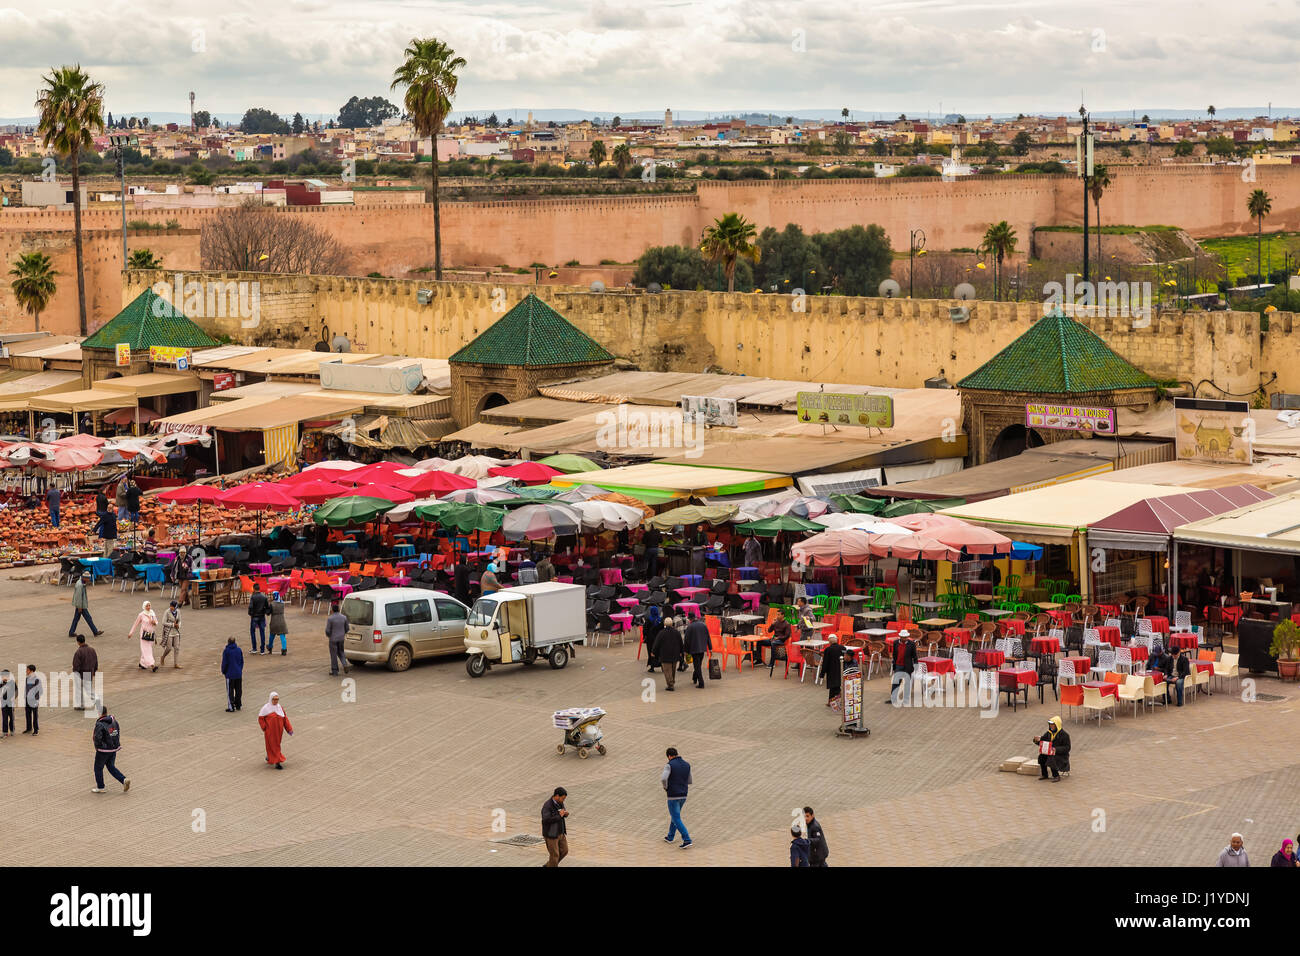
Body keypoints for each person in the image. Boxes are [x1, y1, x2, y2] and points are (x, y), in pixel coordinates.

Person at [91, 705, 129, 794]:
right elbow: (117, 732)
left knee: (98, 768)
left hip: (103, 751)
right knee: (111, 766)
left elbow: (97, 738)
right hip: (113, 749)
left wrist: (98, 747)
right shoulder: (114, 721)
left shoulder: (100, 724)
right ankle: (124, 780)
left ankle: (101, 787)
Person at [661, 747, 693, 849]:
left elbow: (663, 778)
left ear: (669, 756)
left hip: (673, 795)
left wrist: (666, 787)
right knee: (675, 815)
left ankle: (687, 839)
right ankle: (670, 836)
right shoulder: (687, 765)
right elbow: (690, 780)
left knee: (676, 817)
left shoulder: (669, 765)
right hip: (683, 794)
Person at [257, 692, 293, 769]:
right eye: (274, 699)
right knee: (274, 746)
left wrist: (289, 729)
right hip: (270, 732)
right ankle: (277, 762)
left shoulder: (280, 708)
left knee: (275, 745)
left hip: (279, 732)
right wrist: (265, 728)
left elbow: (285, 719)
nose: (276, 701)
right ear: (271, 699)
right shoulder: (266, 708)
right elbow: (261, 718)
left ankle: (270, 757)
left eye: (277, 699)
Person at [1033, 716, 1071, 782]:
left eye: (1053, 724)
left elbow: (1067, 748)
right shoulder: (1048, 733)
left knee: (1052, 758)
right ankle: (1044, 774)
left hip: (1061, 755)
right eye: (1050, 724)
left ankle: (1056, 775)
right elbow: (1042, 741)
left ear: (1057, 725)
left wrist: (1056, 749)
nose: (1051, 726)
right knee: (1042, 757)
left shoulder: (1064, 735)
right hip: (1050, 752)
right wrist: (1036, 740)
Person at [68, 572, 104, 638]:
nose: (89, 580)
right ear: (84, 578)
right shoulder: (80, 585)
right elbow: (79, 597)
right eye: (88, 578)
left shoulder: (81, 583)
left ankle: (71, 632)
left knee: (76, 618)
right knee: (88, 618)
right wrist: (79, 607)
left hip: (80, 604)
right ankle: (95, 631)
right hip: (81, 605)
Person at [651, 616, 683, 691]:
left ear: (665, 624)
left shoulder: (661, 633)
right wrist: (681, 652)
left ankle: (670, 685)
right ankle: (672, 681)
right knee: (673, 669)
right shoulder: (676, 632)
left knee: (667, 670)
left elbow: (657, 643)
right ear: (672, 624)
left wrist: (653, 651)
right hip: (675, 654)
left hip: (665, 654)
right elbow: (680, 642)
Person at [541, 786, 570, 867]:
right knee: (555, 855)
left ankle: (548, 865)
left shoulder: (560, 803)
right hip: (551, 834)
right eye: (562, 798)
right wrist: (559, 816)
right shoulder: (547, 806)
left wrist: (565, 814)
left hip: (560, 832)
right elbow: (545, 820)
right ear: (557, 796)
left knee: (564, 851)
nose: (563, 801)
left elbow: (562, 812)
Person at [890, 628, 918, 706]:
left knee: (907, 684)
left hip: (907, 666)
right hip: (898, 665)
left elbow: (914, 656)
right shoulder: (895, 643)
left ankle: (906, 700)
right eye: (903, 637)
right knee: (896, 683)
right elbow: (894, 654)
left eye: (905, 637)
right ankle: (893, 698)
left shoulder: (911, 644)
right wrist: (894, 664)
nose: (904, 638)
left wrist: (916, 665)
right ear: (900, 637)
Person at [129, 601, 158, 672]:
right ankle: (152, 665)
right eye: (147, 606)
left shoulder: (152, 613)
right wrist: (131, 632)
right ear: (144, 606)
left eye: (149, 605)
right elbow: (135, 624)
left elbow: (156, 622)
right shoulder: (141, 615)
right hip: (144, 635)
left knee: (146, 649)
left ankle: (142, 663)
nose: (148, 607)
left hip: (151, 635)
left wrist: (154, 622)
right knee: (148, 650)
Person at [72, 634, 98, 711]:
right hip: (89, 672)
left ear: (78, 642)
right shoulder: (92, 650)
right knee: (89, 689)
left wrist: (76, 673)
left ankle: (80, 705)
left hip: (81, 673)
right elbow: (96, 661)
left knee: (79, 690)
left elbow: (76, 665)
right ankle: (96, 700)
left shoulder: (78, 652)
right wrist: (94, 671)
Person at [684, 615, 710, 689]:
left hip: (694, 649)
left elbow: (686, 640)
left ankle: (701, 683)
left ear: (690, 619)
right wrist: (710, 648)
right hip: (702, 649)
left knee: (697, 666)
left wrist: (685, 650)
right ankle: (694, 677)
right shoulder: (703, 625)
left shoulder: (690, 627)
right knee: (698, 665)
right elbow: (708, 636)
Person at [325, 602, 350, 676]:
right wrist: (343, 633)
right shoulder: (344, 617)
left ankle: (335, 670)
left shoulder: (330, 618)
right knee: (341, 652)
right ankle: (345, 664)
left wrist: (329, 636)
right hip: (341, 638)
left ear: (332, 610)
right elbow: (347, 628)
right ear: (339, 609)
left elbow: (327, 630)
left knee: (333, 655)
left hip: (333, 639)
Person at [821, 633, 845, 708]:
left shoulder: (828, 650)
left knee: (834, 686)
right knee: (835, 686)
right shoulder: (843, 648)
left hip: (831, 670)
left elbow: (825, 663)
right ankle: (830, 701)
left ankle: (838, 700)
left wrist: (822, 673)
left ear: (829, 642)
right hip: (840, 669)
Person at [221, 636, 244, 712]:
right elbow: (241, 661)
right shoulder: (239, 650)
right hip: (238, 673)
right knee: (238, 690)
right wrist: (240, 670)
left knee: (230, 691)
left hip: (230, 674)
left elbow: (225, 663)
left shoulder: (226, 651)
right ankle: (238, 704)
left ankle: (231, 706)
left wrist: (224, 671)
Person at [158, 600, 182, 669]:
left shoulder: (178, 611)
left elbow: (180, 620)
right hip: (169, 631)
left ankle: (176, 664)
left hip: (176, 631)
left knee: (177, 648)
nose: (171, 607)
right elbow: (163, 622)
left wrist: (178, 625)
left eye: (173, 606)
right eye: (170, 606)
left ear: (176, 607)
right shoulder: (167, 612)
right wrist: (172, 624)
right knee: (169, 648)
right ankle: (163, 657)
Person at [248, 582, 270, 654]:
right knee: (262, 632)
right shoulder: (264, 597)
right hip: (261, 616)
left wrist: (251, 614)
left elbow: (250, 607)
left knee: (252, 631)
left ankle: (254, 648)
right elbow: (267, 607)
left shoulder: (253, 597)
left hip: (254, 616)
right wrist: (266, 612)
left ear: (254, 589)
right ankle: (262, 650)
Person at [23, 664, 41, 735]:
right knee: (27, 714)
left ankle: (36, 730)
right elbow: (26, 688)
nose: (26, 671)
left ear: (31, 671)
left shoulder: (36, 679)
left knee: (35, 715)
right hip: (27, 699)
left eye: (27, 670)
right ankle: (29, 728)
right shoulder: (27, 678)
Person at [268, 591, 288, 656]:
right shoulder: (282, 603)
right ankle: (284, 649)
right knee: (283, 636)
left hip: (274, 621)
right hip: (281, 620)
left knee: (272, 635)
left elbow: (268, 613)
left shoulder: (272, 604)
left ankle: (270, 647)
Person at [0, 669, 14, 738]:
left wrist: (13, 698)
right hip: (3, 703)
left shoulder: (12, 682)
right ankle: (5, 732)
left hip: (10, 703)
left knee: (11, 717)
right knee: (4, 717)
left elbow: (16, 691)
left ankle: (12, 730)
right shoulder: (1, 683)